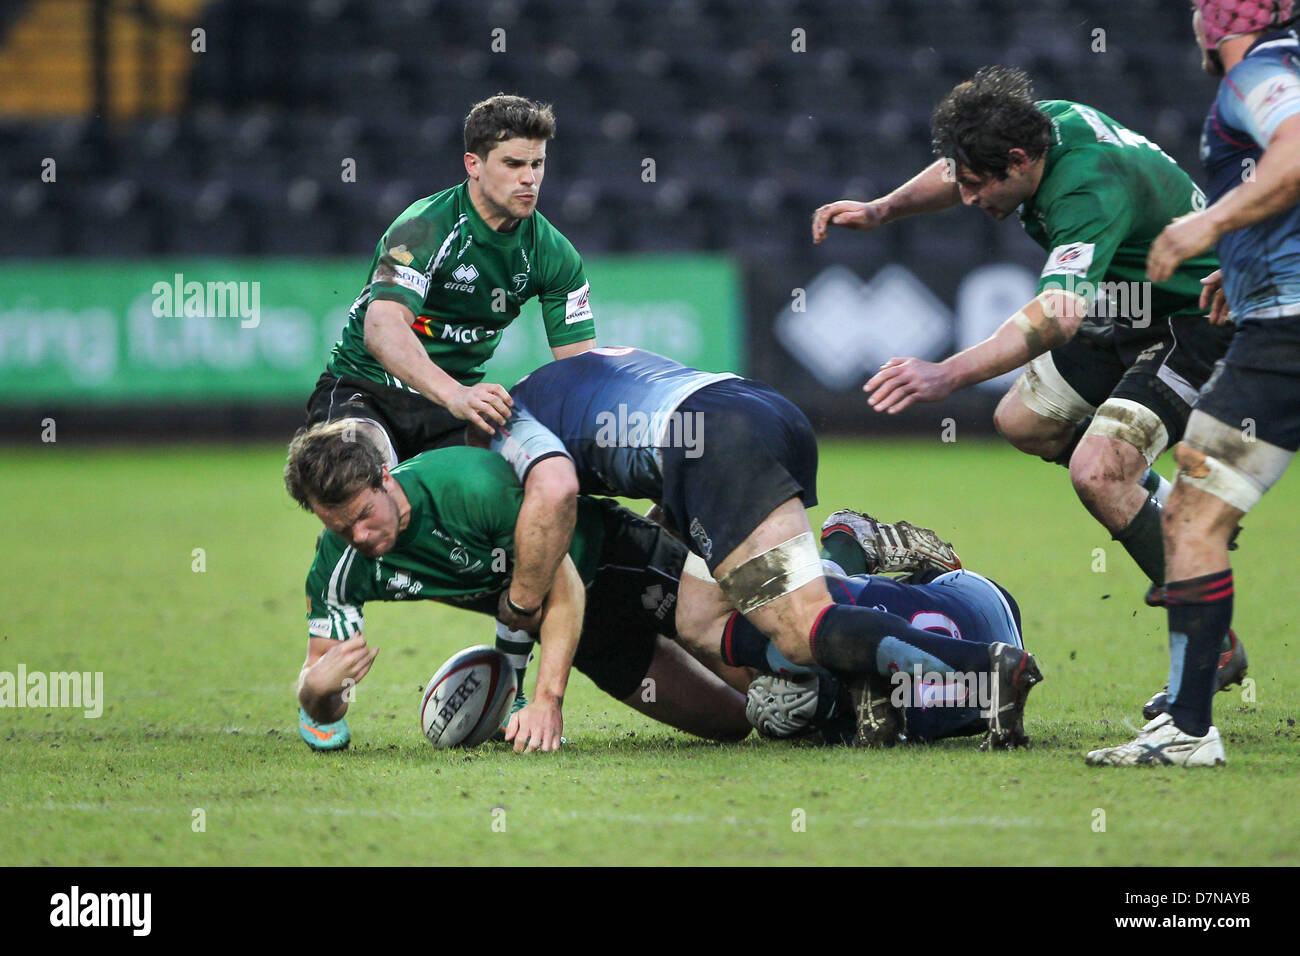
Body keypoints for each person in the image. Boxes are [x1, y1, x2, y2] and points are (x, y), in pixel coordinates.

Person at [811, 67, 1246, 712]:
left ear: (1018, 162)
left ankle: (1215, 646)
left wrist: (945, 373)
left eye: (978, 184)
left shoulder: (1087, 192)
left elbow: (1056, 317)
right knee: (1025, 420)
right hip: (1126, 309)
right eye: (961, 179)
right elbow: (951, 170)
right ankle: (1161, 512)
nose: (966, 197)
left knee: (1099, 475)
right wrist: (885, 208)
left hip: (1192, 320)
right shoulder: (1041, 124)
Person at [485, 346, 1043, 748]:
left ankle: (991, 671)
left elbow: (552, 511)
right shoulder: (564, 380)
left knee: (801, 628)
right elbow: (664, 481)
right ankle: (860, 663)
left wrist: (523, 681)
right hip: (753, 409)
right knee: (699, 616)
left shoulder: (504, 426)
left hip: (720, 446)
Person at [1089, 0, 1300, 766]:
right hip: (1270, 308)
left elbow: (1297, 153)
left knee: (1191, 519)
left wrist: (1209, 229)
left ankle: (1185, 728)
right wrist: (1239, 273)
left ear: (1214, 24)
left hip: (1288, 334)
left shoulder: (1263, 70)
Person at [285, 421, 752, 753]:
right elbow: (323, 706)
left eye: (365, 515)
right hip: (578, 636)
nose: (360, 538)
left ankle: (698, 541)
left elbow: (561, 582)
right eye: (342, 528)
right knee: (735, 721)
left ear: (385, 477)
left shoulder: (469, 487)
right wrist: (316, 694)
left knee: (778, 683)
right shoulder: (339, 568)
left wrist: (546, 701)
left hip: (617, 560)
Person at [305, 93, 596, 463]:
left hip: (449, 411)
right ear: (473, 165)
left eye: (537, 164)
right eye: (513, 163)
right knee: (360, 474)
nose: (529, 178)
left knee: (518, 489)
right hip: (366, 391)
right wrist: (455, 393)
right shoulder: (422, 228)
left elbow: (580, 370)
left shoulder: (555, 254)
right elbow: (381, 327)